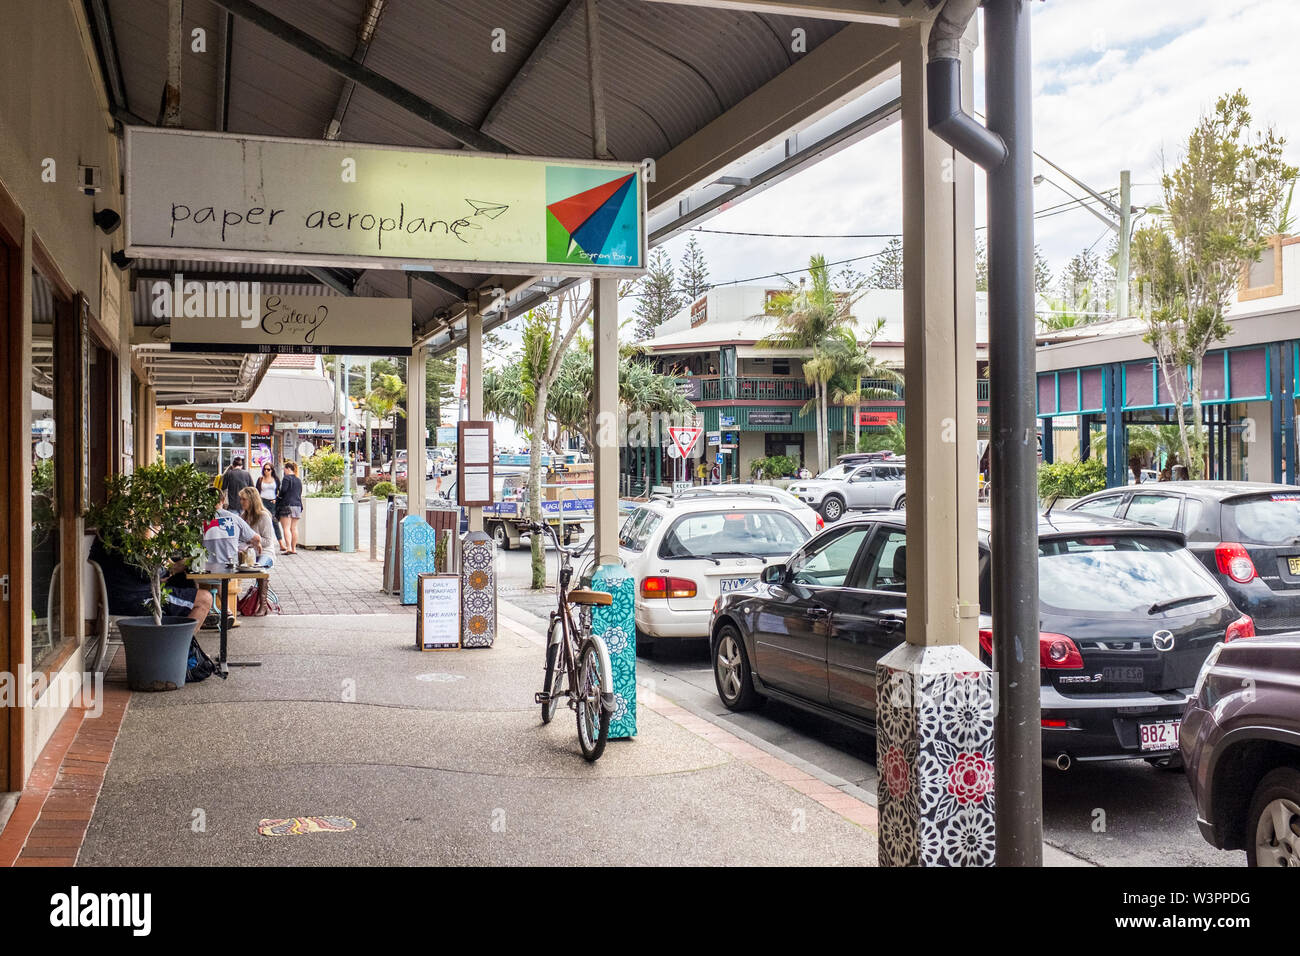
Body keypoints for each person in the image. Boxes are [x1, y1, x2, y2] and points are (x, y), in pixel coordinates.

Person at [88, 535, 213, 627]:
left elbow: (139, 571)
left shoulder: (104, 538)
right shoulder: (122, 541)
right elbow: (147, 574)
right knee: (204, 599)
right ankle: (180, 651)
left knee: (185, 587)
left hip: (120, 597)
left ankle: (180, 648)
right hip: (136, 601)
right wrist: (171, 569)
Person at [238, 487, 278, 568]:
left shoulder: (263, 516)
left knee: (259, 569)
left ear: (252, 500)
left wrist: (252, 539)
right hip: (248, 553)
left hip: (265, 553)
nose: (241, 502)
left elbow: (268, 541)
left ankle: (263, 580)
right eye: (240, 499)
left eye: (244, 499)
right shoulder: (243, 516)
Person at [275, 459, 305, 555]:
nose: (284, 470)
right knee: (294, 528)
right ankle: (294, 549)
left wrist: (278, 497)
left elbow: (283, 491)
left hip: (287, 505)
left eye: (285, 468)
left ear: (288, 469)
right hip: (297, 505)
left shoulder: (286, 478)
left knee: (286, 528)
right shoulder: (298, 480)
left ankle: (288, 548)